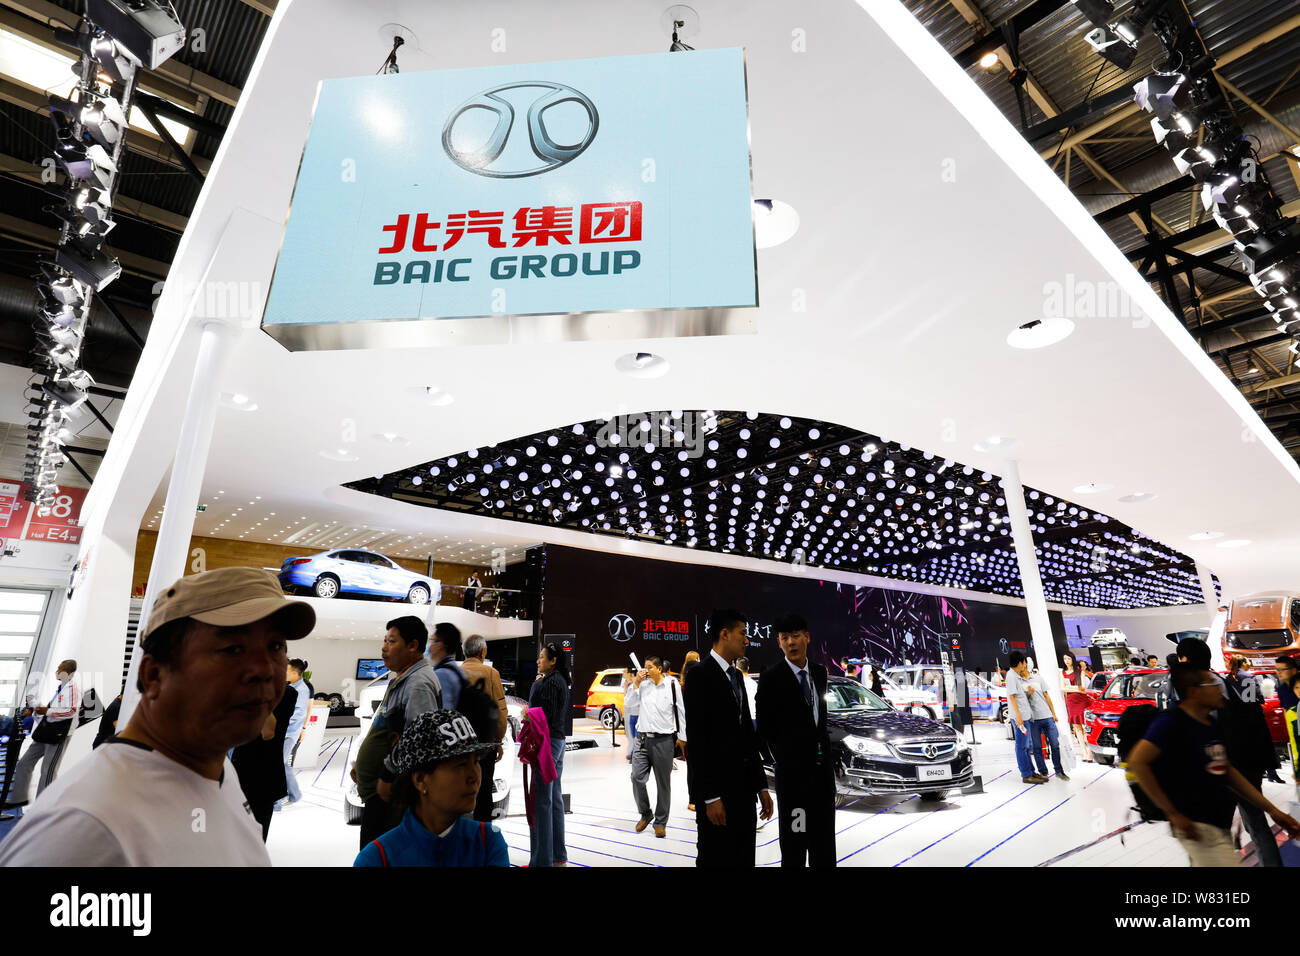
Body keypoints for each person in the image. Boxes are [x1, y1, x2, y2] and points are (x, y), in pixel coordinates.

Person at [0, 567, 315, 865]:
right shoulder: (85, 827)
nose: (264, 669)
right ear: (153, 674)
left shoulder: (217, 770)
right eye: (233, 648)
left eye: (275, 646)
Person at [1126, 663, 1300, 866]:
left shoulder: (1210, 723)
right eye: (1211, 684)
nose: (1219, 688)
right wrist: (1173, 813)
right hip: (1197, 826)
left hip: (1217, 823)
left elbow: (1226, 771)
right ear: (1194, 691)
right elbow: (1138, 761)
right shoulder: (1172, 722)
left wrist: (1273, 811)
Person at [354, 710, 508, 867]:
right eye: (461, 764)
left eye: (476, 761)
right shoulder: (377, 859)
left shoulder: (488, 841)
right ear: (420, 780)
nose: (474, 776)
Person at [684, 609, 774, 867]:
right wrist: (710, 797)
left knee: (744, 858)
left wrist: (761, 786)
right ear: (725, 634)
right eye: (742, 633)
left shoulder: (736, 676)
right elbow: (698, 741)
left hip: (744, 793)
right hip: (717, 795)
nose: (747, 640)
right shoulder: (699, 675)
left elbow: (747, 736)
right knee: (715, 859)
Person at [352, 616, 443, 848]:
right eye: (385, 641)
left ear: (413, 645)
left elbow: (420, 739)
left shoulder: (418, 684)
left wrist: (387, 774)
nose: (384, 648)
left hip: (391, 796)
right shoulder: (403, 677)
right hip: (380, 794)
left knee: (380, 857)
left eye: (391, 642)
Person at [757, 613, 836, 868]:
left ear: (807, 638)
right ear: (779, 643)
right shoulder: (771, 678)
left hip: (822, 782)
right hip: (794, 784)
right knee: (795, 846)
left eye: (795, 636)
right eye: (784, 638)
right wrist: (788, 758)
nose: (790, 642)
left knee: (824, 846)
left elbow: (819, 722)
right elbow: (765, 729)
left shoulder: (820, 673)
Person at [1219, 656, 1283, 866]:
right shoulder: (1246, 678)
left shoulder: (1228, 680)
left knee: (1249, 817)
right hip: (1247, 753)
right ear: (1243, 664)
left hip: (1234, 758)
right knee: (1254, 817)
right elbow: (1251, 704)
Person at [625, 656, 686, 838]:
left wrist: (682, 738)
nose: (646, 670)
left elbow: (681, 712)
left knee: (663, 784)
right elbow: (629, 703)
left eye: (649, 667)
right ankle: (646, 813)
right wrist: (636, 683)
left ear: (659, 669)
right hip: (642, 739)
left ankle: (660, 822)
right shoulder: (643, 685)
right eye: (645, 667)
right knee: (636, 777)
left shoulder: (672, 685)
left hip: (664, 741)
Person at [5, 659, 80, 807]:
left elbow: (71, 711)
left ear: (67, 672)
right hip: (46, 731)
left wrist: (47, 711)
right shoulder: (61, 688)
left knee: (48, 771)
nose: (57, 671)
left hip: (59, 735)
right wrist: (37, 710)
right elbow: (52, 711)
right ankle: (19, 798)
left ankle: (42, 807)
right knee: (24, 763)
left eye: (60, 669)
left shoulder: (73, 689)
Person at [231, 679, 297, 840]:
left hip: (261, 776)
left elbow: (268, 731)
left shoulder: (286, 693)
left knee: (256, 835)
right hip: (234, 773)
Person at [528, 642, 571, 866]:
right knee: (554, 800)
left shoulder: (551, 682)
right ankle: (557, 857)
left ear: (553, 661)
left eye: (542, 657)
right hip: (557, 742)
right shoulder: (559, 680)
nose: (538, 661)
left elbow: (543, 716)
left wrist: (535, 690)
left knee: (542, 801)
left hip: (547, 744)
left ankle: (542, 860)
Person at [461, 633, 508, 822]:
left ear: (465, 652)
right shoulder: (491, 673)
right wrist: (498, 740)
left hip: (459, 744)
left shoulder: (456, 673)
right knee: (484, 791)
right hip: (485, 744)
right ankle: (483, 834)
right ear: (483, 652)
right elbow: (500, 710)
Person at [1005, 651, 1047, 784]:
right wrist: (1018, 717)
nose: (1025, 665)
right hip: (1020, 718)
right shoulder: (1011, 676)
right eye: (1024, 663)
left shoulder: (1016, 676)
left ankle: (1031, 771)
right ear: (1020, 663)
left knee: (1027, 746)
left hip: (1025, 716)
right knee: (1022, 746)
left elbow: (1018, 697)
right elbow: (1012, 697)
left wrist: (1028, 693)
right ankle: (1026, 774)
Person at [281, 658, 310, 806]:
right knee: (282, 764)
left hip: (289, 733)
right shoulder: (293, 687)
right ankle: (294, 794)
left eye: (286, 670)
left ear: (294, 672)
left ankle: (279, 800)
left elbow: (297, 715)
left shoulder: (301, 690)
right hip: (286, 732)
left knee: (279, 765)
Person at [1061, 652, 1092, 763]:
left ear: (1072, 659)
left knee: (1086, 727)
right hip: (1071, 702)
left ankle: (1090, 752)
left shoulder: (1080, 672)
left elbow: (1083, 688)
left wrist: (1070, 688)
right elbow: (1063, 688)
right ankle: (1084, 752)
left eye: (1068, 658)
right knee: (1077, 728)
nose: (1066, 661)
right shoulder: (1063, 673)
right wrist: (1076, 688)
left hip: (1082, 701)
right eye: (1065, 659)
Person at [430, 622, 467, 712]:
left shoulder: (441, 674)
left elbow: (445, 713)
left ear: (440, 645)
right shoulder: (456, 669)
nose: (430, 646)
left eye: (432, 640)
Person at [1276, 655, 1299, 781]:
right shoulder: (1281, 689)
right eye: (1277, 669)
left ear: (1294, 670)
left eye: (1282, 669)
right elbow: (1285, 710)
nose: (1279, 673)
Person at [92, 683, 124, 749]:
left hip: (105, 745)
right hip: (102, 746)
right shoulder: (116, 707)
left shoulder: (119, 702)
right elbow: (120, 730)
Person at [621, 667, 640, 762]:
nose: (623, 673)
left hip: (637, 715)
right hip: (633, 714)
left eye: (625, 672)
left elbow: (628, 702)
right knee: (633, 736)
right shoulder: (631, 686)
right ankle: (633, 753)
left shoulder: (636, 687)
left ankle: (634, 755)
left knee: (636, 736)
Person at [735, 656, 758, 727]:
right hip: (753, 719)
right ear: (748, 668)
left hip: (741, 720)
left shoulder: (735, 683)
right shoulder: (754, 684)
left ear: (736, 668)